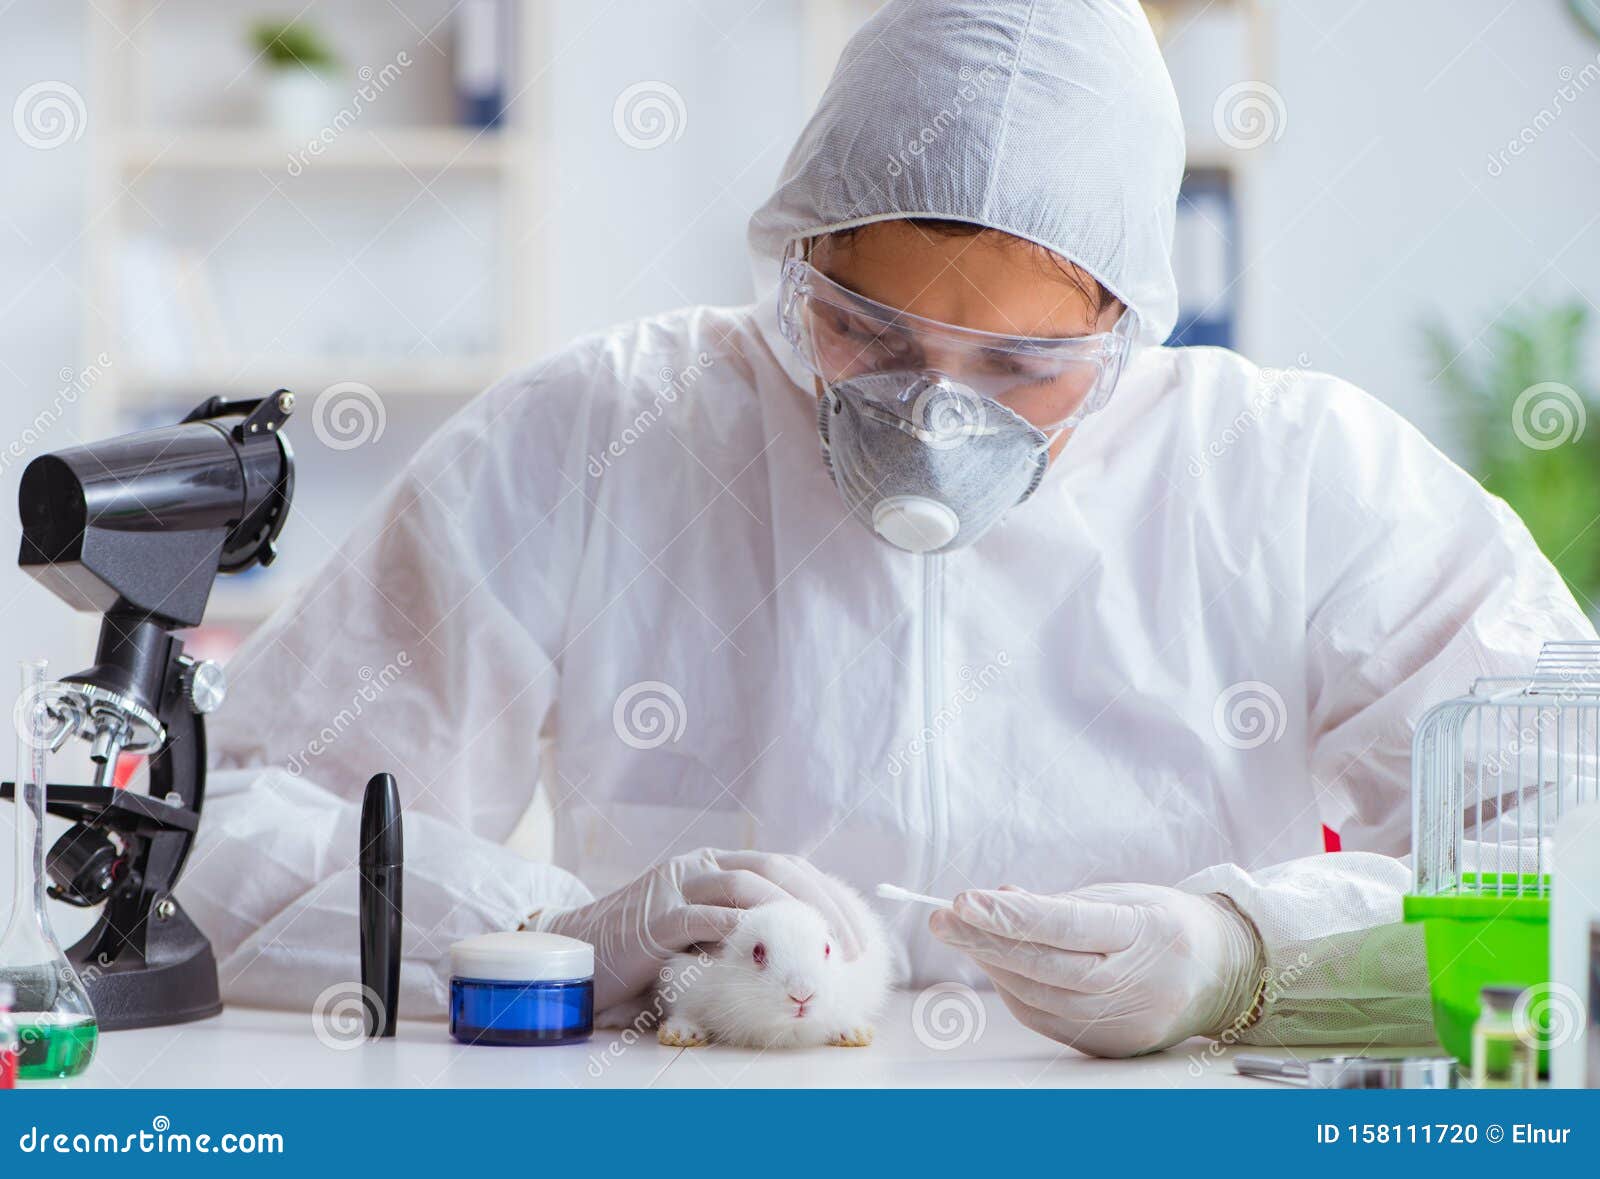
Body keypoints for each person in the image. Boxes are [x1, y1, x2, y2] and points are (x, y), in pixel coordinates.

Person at [185, 0, 1591, 1058]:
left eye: (1021, 371)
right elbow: (217, 829)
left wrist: (1249, 958)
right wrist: (562, 938)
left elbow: (1568, 836)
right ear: (794, 262)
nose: (931, 418)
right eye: (866, 332)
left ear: (1127, 329)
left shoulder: (1292, 476)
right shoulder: (605, 434)